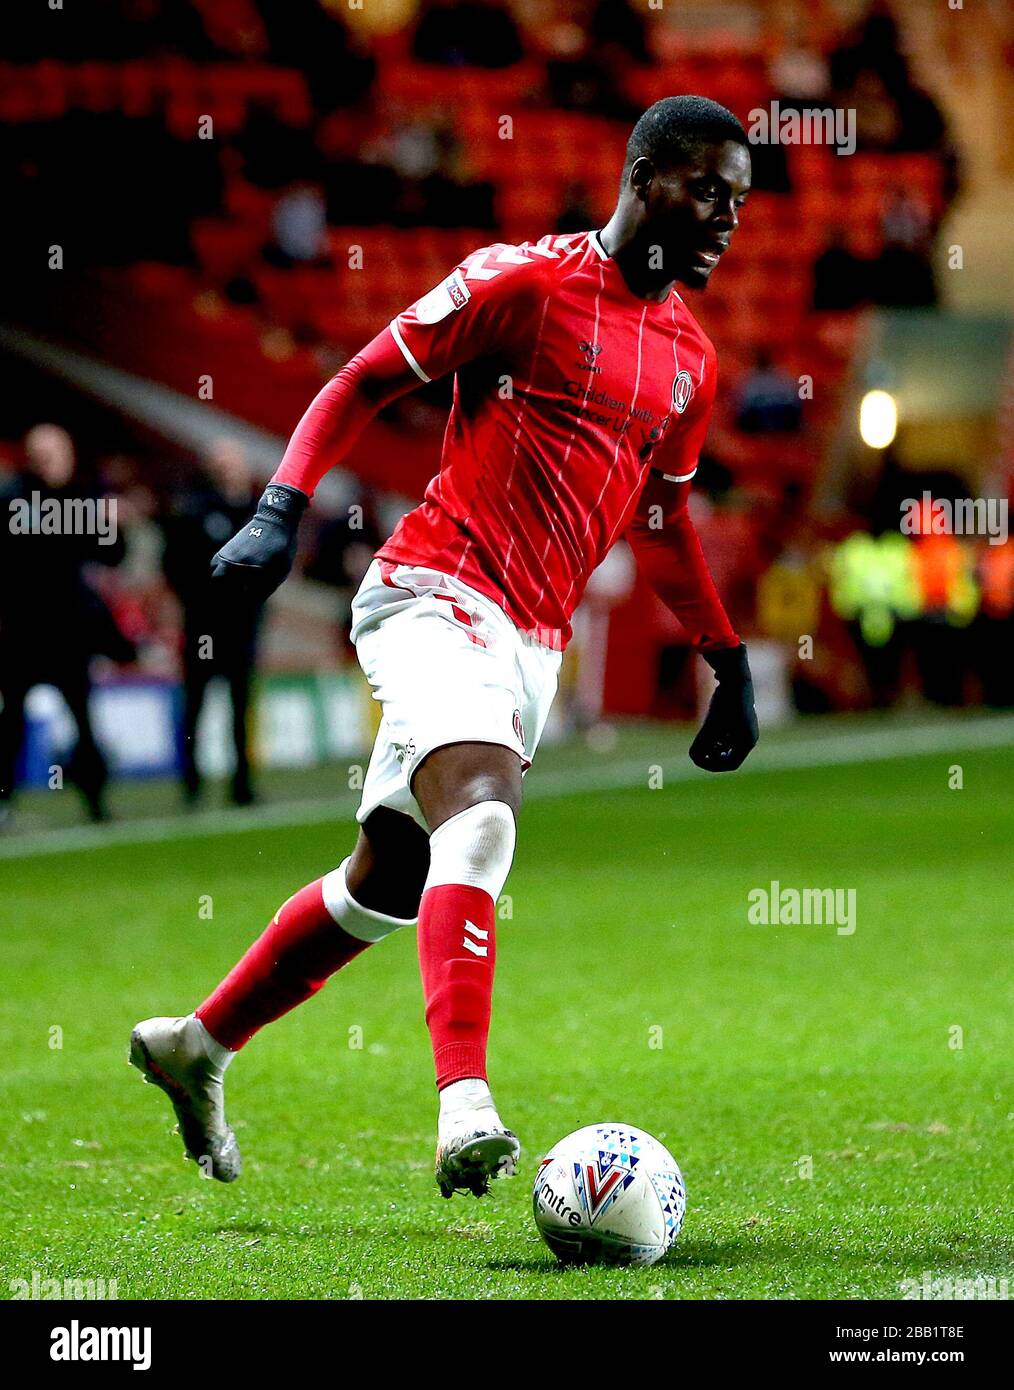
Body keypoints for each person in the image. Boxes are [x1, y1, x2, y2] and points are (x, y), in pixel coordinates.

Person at [130, 96, 759, 1198]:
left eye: (739, 202)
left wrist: (728, 658)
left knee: (387, 879)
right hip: (434, 590)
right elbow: (366, 375)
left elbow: (660, 519)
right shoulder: (523, 283)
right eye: (707, 190)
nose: (725, 219)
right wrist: (281, 505)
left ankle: (199, 1044)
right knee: (485, 813)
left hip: (529, 641)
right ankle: (464, 1104)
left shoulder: (691, 360)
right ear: (643, 175)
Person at [0, 424, 134, 824]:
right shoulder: (14, 497)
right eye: (44, 453)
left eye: (58, 451)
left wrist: (116, 525)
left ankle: (95, 800)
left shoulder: (83, 496)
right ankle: (5, 801)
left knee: (84, 719)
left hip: (70, 632)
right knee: (12, 723)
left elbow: (112, 556)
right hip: (23, 630)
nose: (52, 460)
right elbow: (32, 537)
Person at [161, 438, 263, 806]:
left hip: (243, 625)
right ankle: (191, 784)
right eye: (220, 463)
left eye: (232, 462)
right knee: (196, 706)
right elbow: (172, 564)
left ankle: (243, 784)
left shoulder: (259, 512)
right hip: (203, 626)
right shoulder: (192, 511)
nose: (227, 470)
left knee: (241, 706)